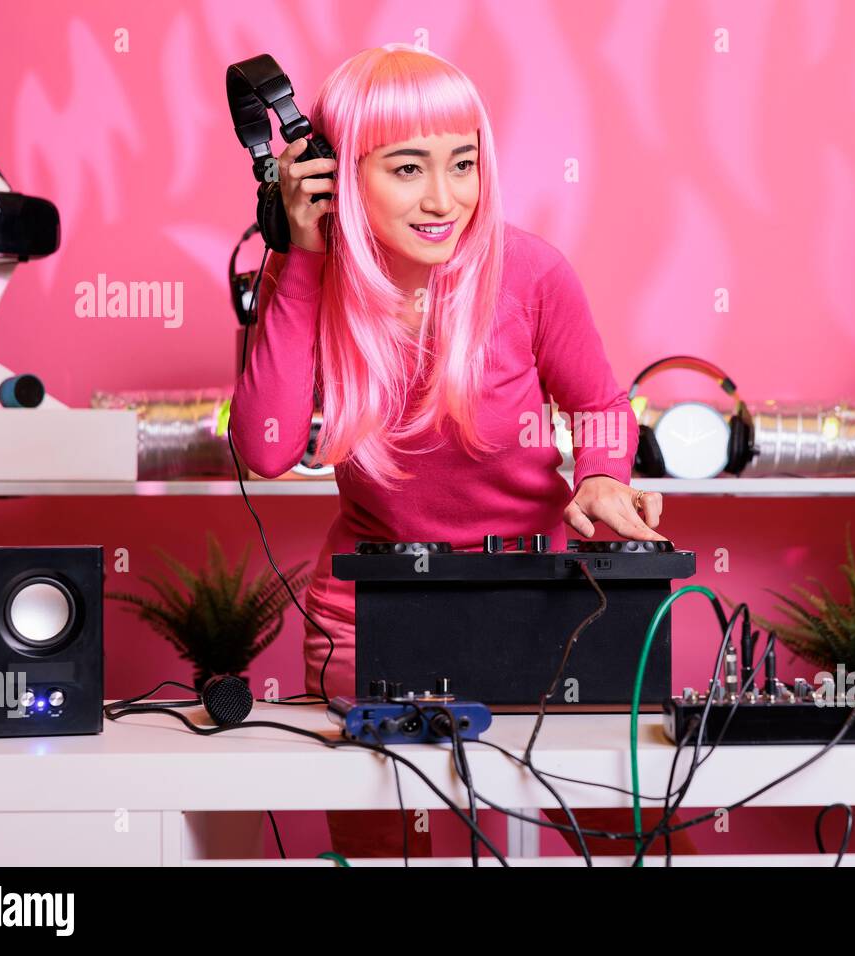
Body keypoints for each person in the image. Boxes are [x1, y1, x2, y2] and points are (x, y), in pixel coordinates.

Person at [230, 43, 690, 858]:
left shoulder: (533, 273)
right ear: (332, 173)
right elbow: (264, 450)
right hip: (372, 613)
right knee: (381, 851)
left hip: (543, 599)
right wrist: (299, 258)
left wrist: (604, 478)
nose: (445, 199)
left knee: (618, 834)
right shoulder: (305, 282)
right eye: (407, 170)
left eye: (464, 164)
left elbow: (600, 404)